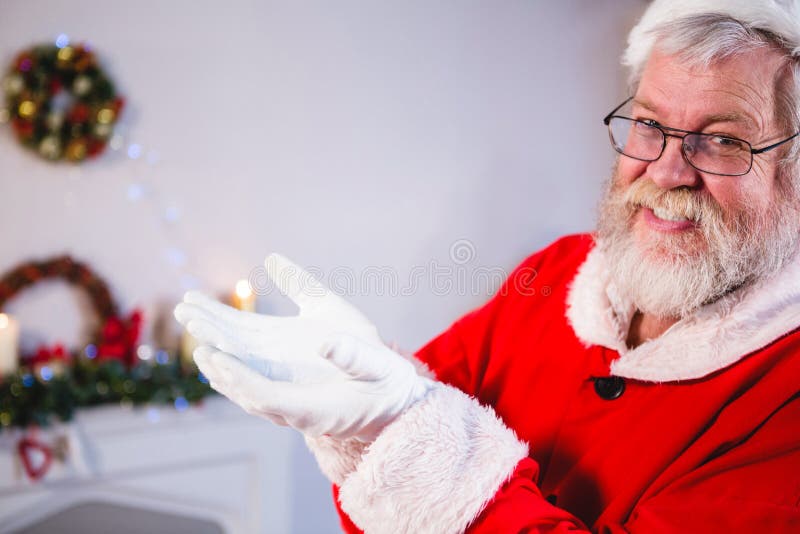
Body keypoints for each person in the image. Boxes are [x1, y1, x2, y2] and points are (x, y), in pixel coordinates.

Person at [174, 1, 800, 532]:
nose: (667, 170)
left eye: (725, 139)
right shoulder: (559, 273)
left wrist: (414, 444)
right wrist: (365, 413)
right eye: (648, 124)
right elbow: (392, 459)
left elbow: (420, 445)